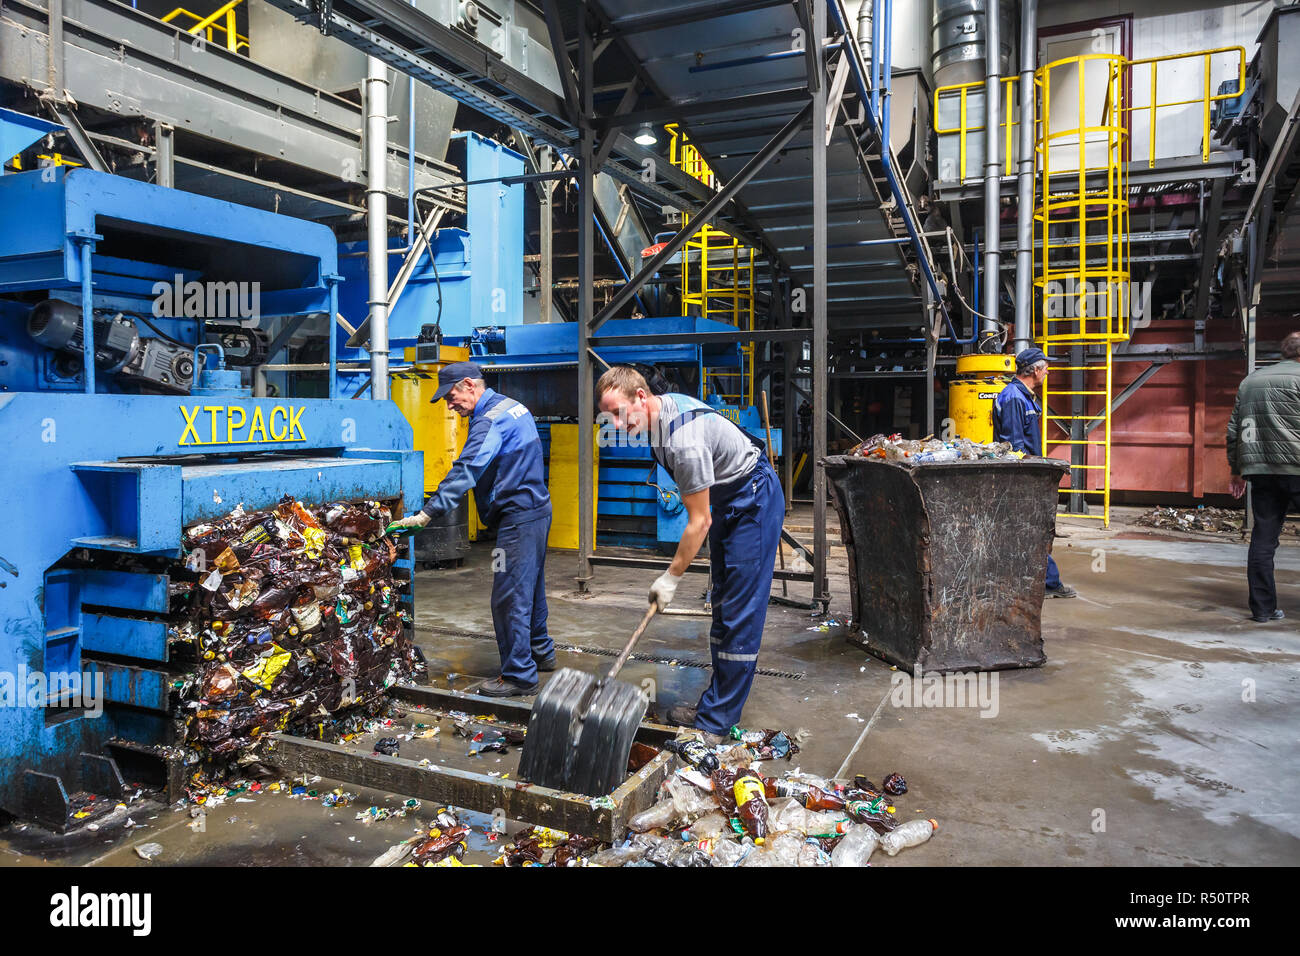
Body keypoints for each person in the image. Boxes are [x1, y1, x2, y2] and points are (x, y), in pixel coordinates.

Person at [597, 366, 784, 744]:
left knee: (740, 613)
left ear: (642, 397)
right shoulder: (655, 423)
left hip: (753, 500)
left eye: (618, 412)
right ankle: (713, 706)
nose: (615, 423)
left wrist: (671, 578)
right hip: (728, 499)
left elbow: (699, 522)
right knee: (723, 604)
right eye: (608, 416)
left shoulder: (682, 439)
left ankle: (716, 723)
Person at [390, 362, 555, 695]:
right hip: (537, 510)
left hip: (518, 518)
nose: (450, 405)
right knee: (530, 586)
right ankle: (541, 652)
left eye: (451, 396)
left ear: (469, 385)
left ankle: (519, 676)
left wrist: (427, 514)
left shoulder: (489, 420)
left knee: (508, 596)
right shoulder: (513, 406)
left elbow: (467, 469)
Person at [1226, 331, 1300, 623]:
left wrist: (1237, 470)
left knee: (1263, 539)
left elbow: (1234, 430)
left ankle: (1263, 609)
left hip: (1261, 470)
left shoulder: (1251, 381)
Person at [992, 347, 1077, 598]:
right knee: (1034, 529)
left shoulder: (1024, 396)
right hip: (1022, 477)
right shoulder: (1014, 398)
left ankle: (1032, 581)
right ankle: (1048, 582)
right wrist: (1035, 472)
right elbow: (1014, 447)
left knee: (1028, 529)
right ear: (1035, 370)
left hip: (1029, 475)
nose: (1048, 372)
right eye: (1046, 368)